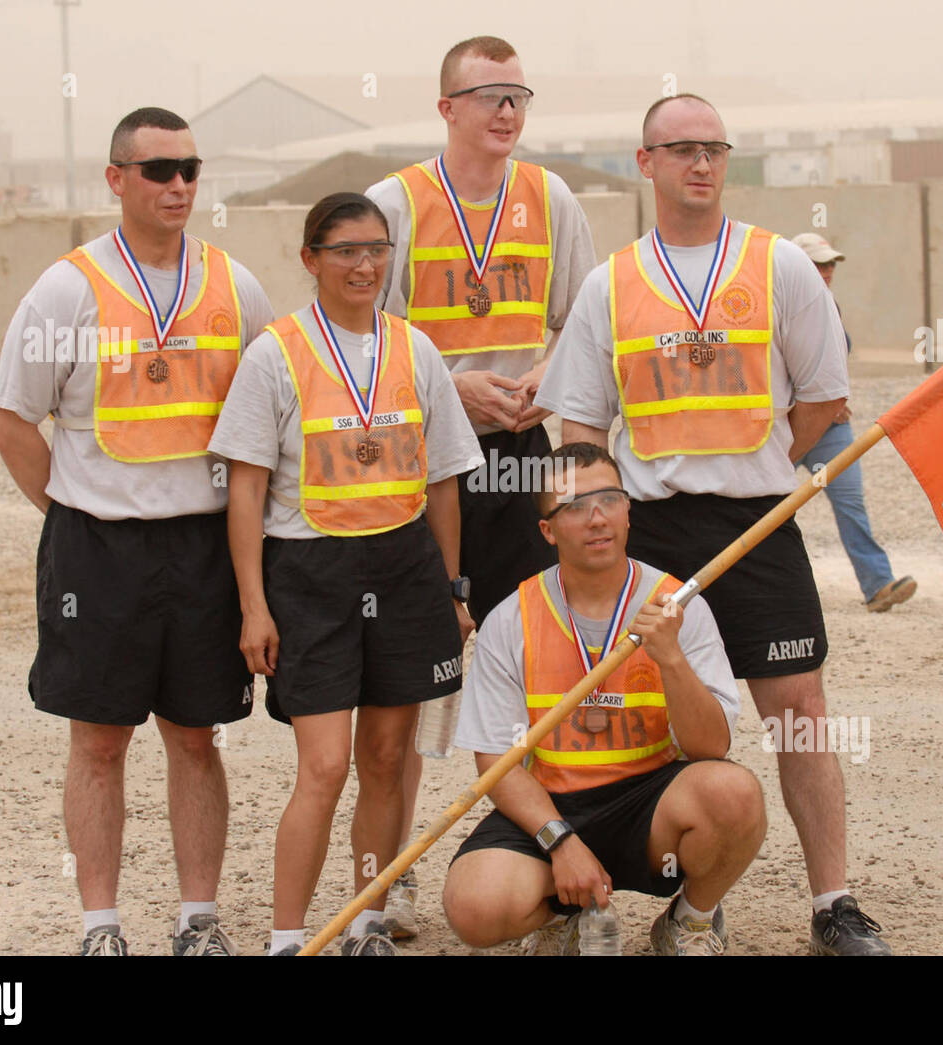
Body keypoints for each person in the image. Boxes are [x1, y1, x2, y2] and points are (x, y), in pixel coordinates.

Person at [536, 94, 892, 954]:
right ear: (645, 161)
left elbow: (824, 399)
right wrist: (602, 513)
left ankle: (833, 903)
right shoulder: (610, 283)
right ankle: (685, 897)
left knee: (799, 710)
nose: (700, 163)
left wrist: (756, 466)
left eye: (714, 149)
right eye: (681, 149)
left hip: (759, 523)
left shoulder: (781, 267)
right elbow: (581, 425)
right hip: (651, 529)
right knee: (655, 718)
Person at [0, 107, 275, 956]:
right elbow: (10, 423)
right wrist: (75, 513)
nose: (178, 184)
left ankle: (199, 919)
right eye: (157, 170)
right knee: (100, 741)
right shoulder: (66, 288)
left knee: (196, 736)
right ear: (116, 180)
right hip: (98, 549)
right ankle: (100, 926)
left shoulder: (236, 285)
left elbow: (268, 421)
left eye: (189, 168)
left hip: (203, 548)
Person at [365, 33, 596, 937]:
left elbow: (583, 317)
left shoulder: (552, 196)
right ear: (446, 108)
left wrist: (544, 374)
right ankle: (388, 886)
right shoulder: (395, 201)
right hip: (429, 465)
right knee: (418, 683)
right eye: (489, 94)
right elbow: (365, 335)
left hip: (524, 455)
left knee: (537, 664)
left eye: (519, 95)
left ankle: (545, 860)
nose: (508, 110)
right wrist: (448, 387)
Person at [208, 193, 481, 957]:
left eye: (377, 249)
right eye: (346, 251)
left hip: (404, 570)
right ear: (311, 260)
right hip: (311, 574)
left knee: (387, 760)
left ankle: (367, 920)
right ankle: (287, 938)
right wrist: (253, 607)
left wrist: (455, 591)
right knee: (324, 765)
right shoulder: (276, 351)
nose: (365, 265)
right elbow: (247, 487)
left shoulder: (414, 349)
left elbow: (446, 480)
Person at [443, 443, 765, 955]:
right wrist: (561, 843)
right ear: (547, 530)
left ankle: (691, 920)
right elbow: (496, 764)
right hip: (552, 805)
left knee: (735, 794)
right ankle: (563, 911)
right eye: (574, 506)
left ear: (628, 510)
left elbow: (710, 750)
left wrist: (672, 660)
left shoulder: (678, 605)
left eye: (609, 499)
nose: (597, 519)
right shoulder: (511, 618)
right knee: (475, 908)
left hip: (651, 804)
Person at [790, 232, 916, 613]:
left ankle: (879, 585)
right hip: (785, 427)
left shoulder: (830, 306)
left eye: (830, 264)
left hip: (830, 428)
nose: (827, 271)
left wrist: (833, 401)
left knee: (851, 505)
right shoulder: (776, 308)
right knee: (758, 509)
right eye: (819, 264)